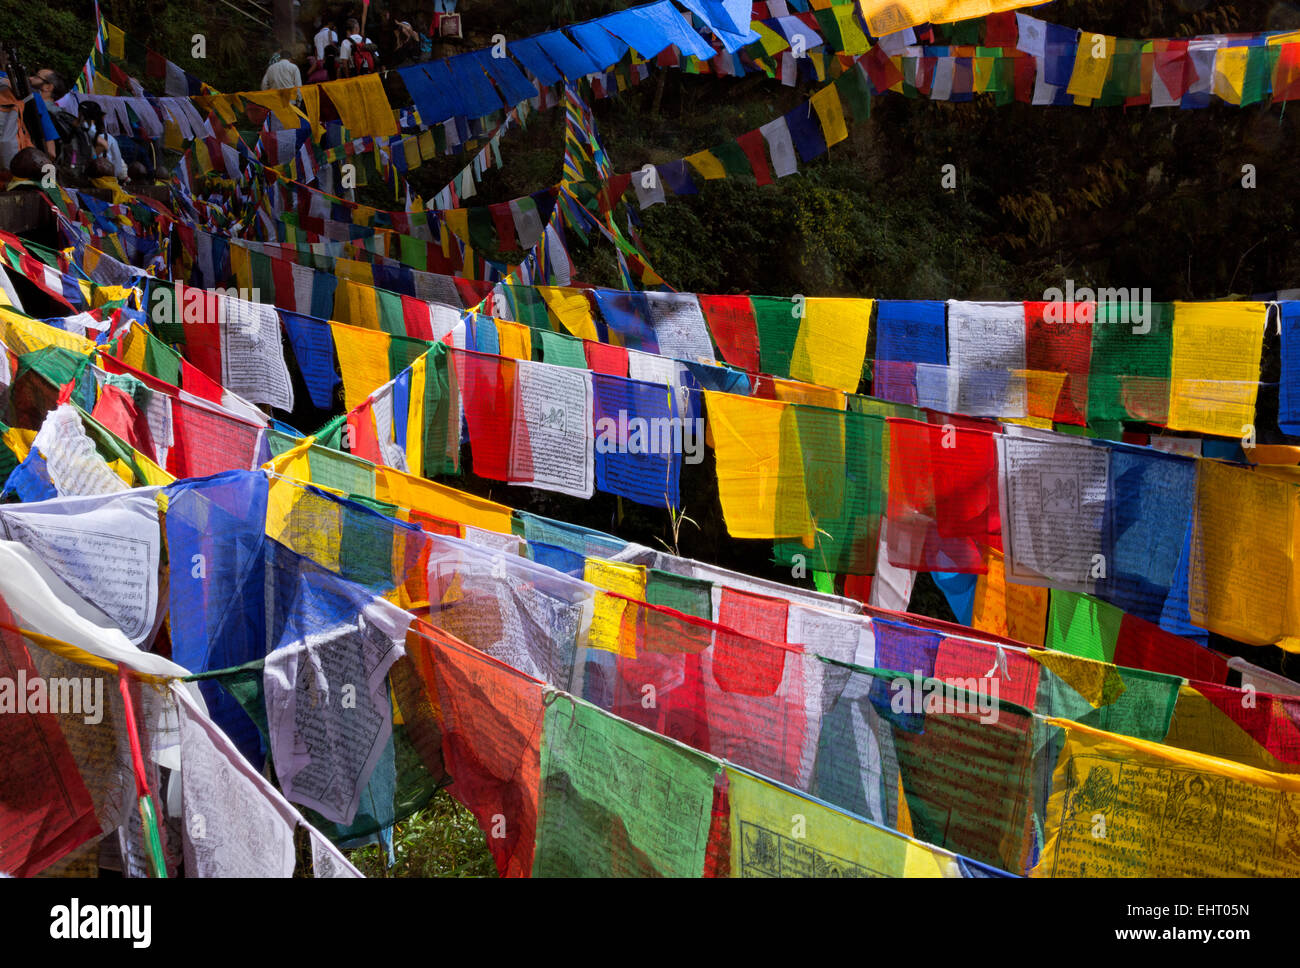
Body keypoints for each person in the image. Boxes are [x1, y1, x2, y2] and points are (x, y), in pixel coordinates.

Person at [77, 100, 126, 181]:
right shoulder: (110, 139)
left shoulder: (78, 131)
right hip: (104, 181)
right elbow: (118, 170)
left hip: (79, 179)